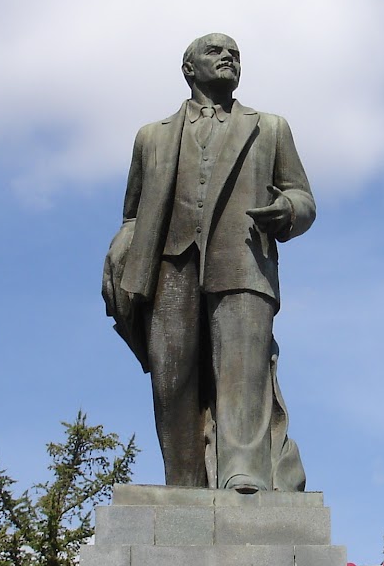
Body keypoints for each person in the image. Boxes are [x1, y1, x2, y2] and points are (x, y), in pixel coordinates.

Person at [102, 33, 316, 492]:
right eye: (215, 52)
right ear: (188, 68)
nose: (228, 58)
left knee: (243, 373)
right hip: (168, 267)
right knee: (172, 379)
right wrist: (122, 248)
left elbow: (302, 196)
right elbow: (133, 213)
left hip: (242, 263)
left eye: (234, 53)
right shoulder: (151, 137)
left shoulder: (271, 128)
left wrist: (289, 211)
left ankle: (245, 474)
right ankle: (184, 482)